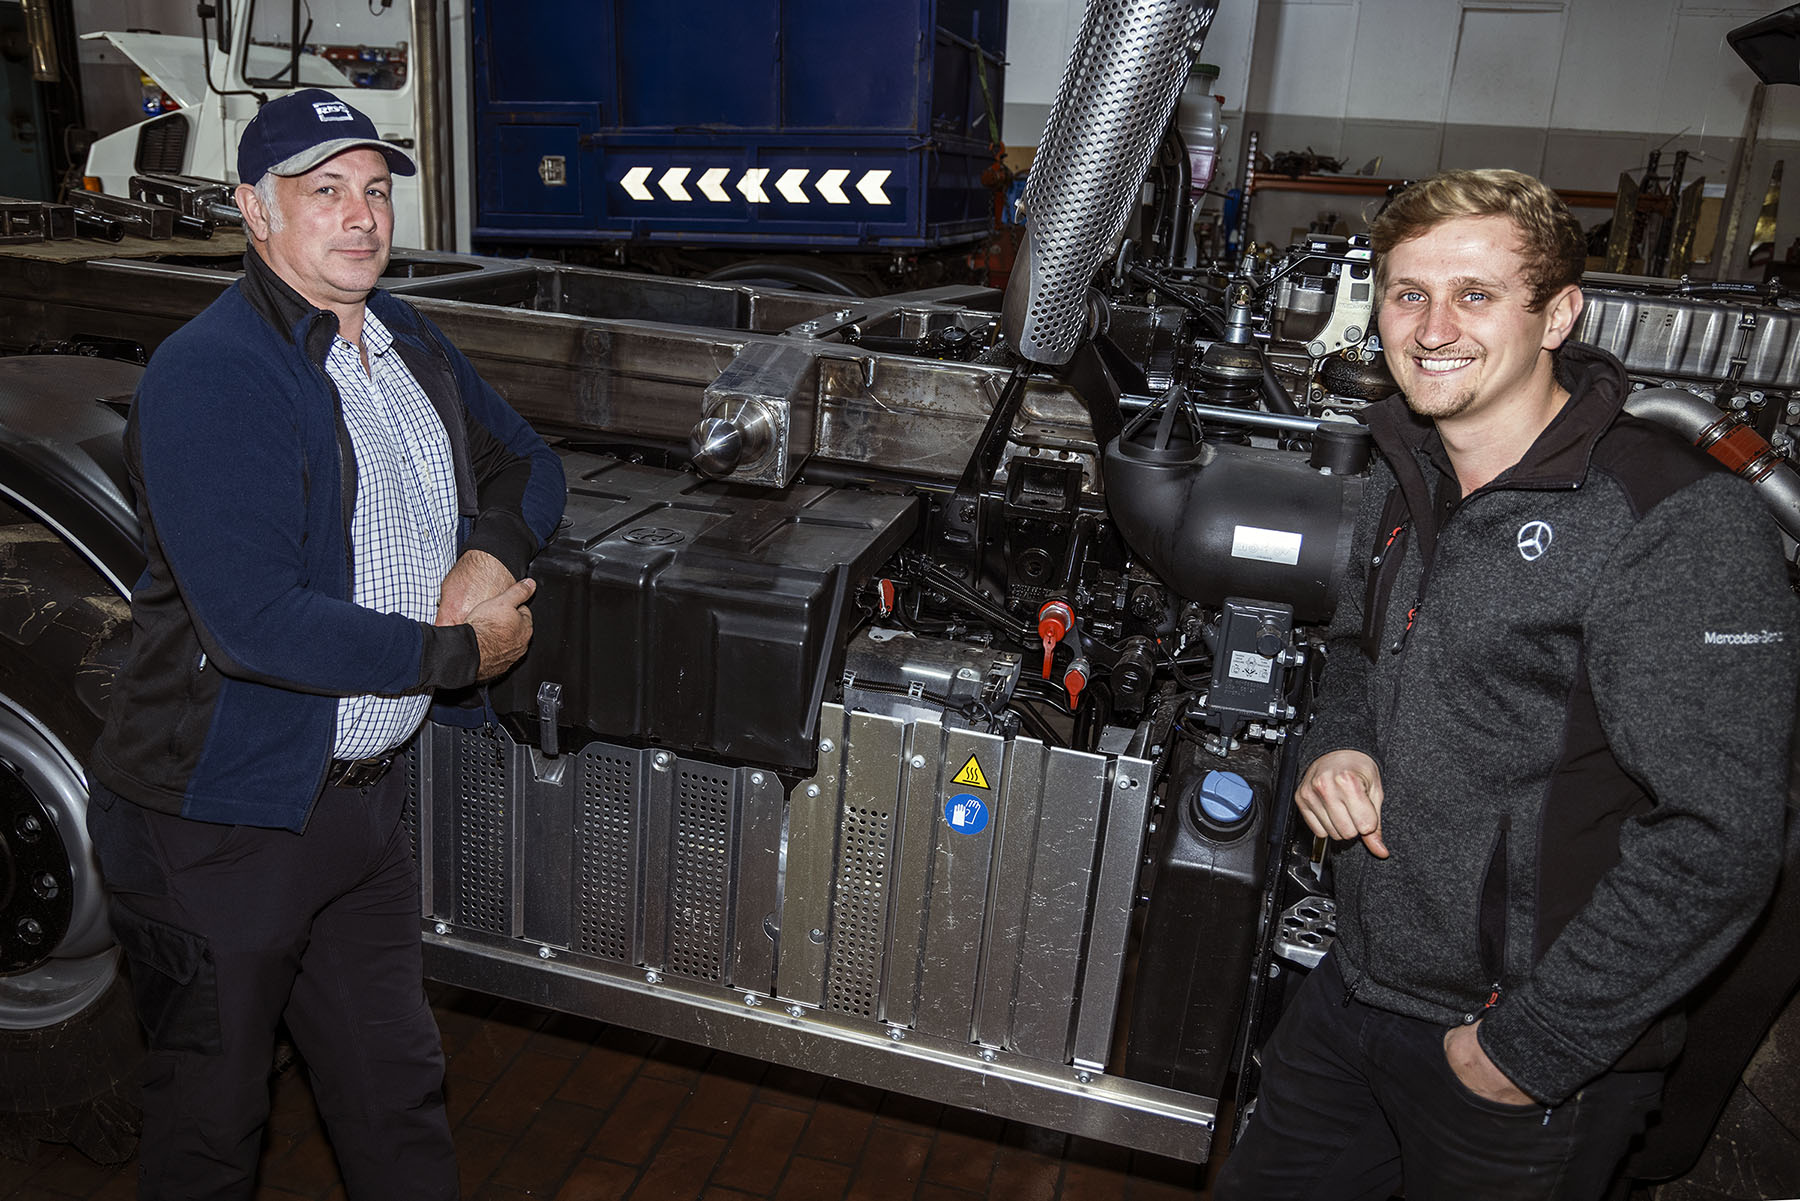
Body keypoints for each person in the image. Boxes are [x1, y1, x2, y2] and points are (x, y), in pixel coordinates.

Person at [1216, 169, 1799, 1200]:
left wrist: (1528, 1047)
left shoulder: (1672, 520)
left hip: (1522, 1052)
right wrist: (1338, 743)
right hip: (1355, 989)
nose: (1433, 327)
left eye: (1476, 294)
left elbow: (1720, 836)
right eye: (1408, 293)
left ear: (1558, 312)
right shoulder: (1403, 476)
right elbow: (1353, 652)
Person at [85, 88, 565, 1200]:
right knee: (212, 1131)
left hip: (359, 812)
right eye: (324, 192)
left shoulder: (406, 340)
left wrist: (480, 570)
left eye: (376, 191)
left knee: (395, 1092)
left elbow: (528, 462)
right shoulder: (218, 373)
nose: (361, 217)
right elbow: (255, 624)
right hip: (219, 825)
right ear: (255, 210)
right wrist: (459, 655)